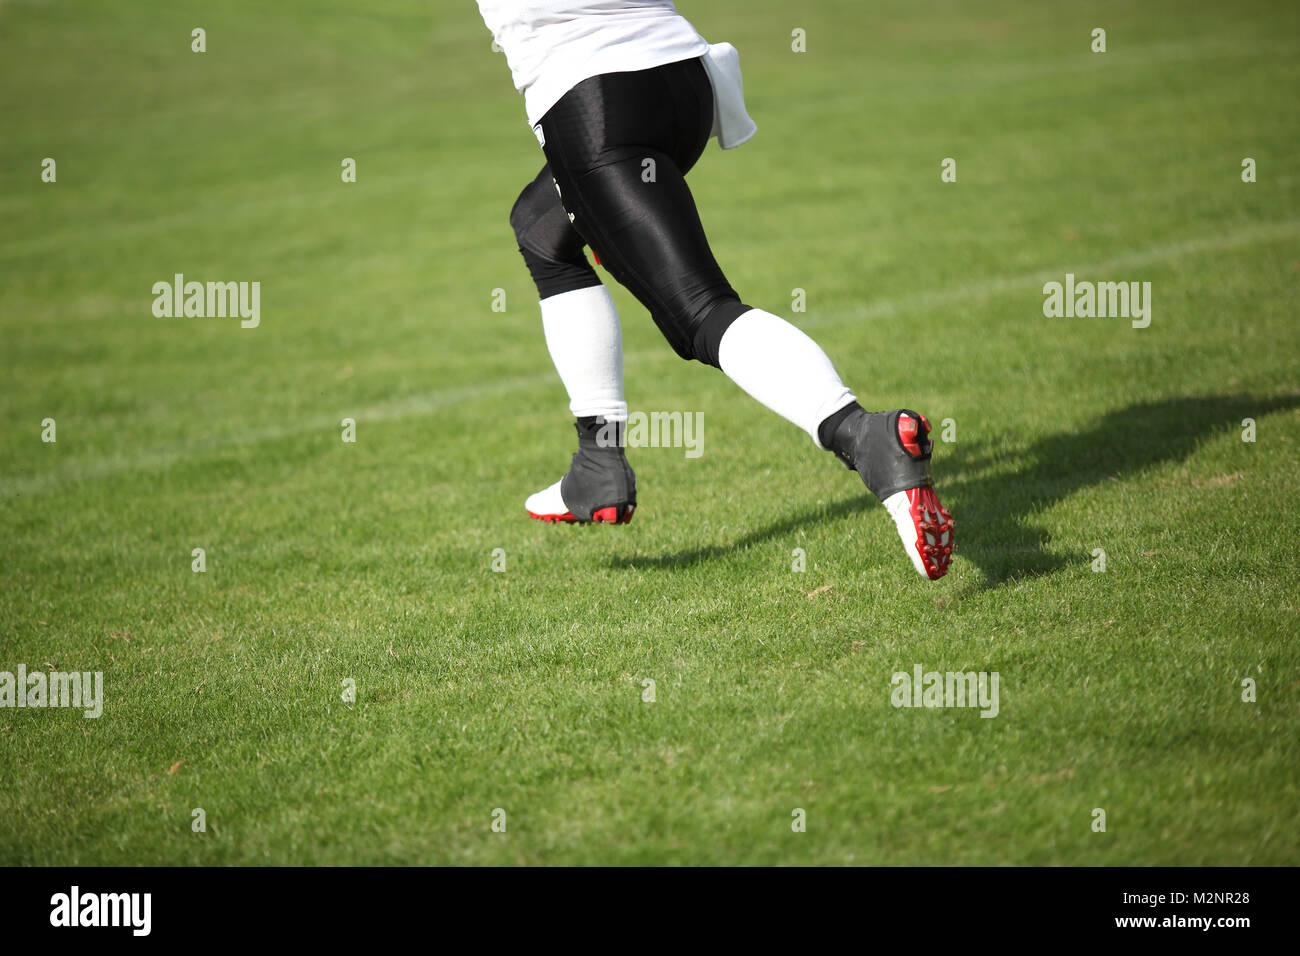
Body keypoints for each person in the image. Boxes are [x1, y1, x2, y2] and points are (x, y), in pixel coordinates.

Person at [476, 0, 953, 579]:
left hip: (594, 100)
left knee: (701, 315)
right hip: (680, 82)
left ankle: (865, 436)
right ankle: (597, 461)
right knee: (541, 230)